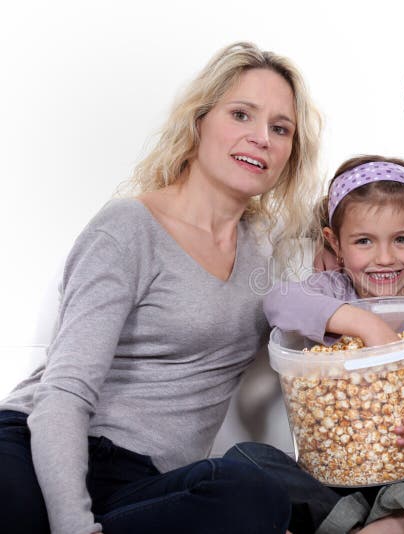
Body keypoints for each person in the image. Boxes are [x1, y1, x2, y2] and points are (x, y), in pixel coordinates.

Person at [0, 41, 322, 534]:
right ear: (199, 122)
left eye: (280, 129)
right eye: (241, 114)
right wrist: (72, 523)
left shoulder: (268, 246)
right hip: (41, 448)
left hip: (145, 482)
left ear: (289, 154)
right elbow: (63, 393)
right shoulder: (129, 226)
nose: (261, 137)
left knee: (252, 495)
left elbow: (364, 207)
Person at [226, 155, 404, 534]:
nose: (384, 258)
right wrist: (364, 323)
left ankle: (392, 524)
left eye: (401, 240)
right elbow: (278, 302)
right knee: (243, 460)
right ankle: (376, 525)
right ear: (336, 243)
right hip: (333, 478)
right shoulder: (330, 293)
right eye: (364, 241)